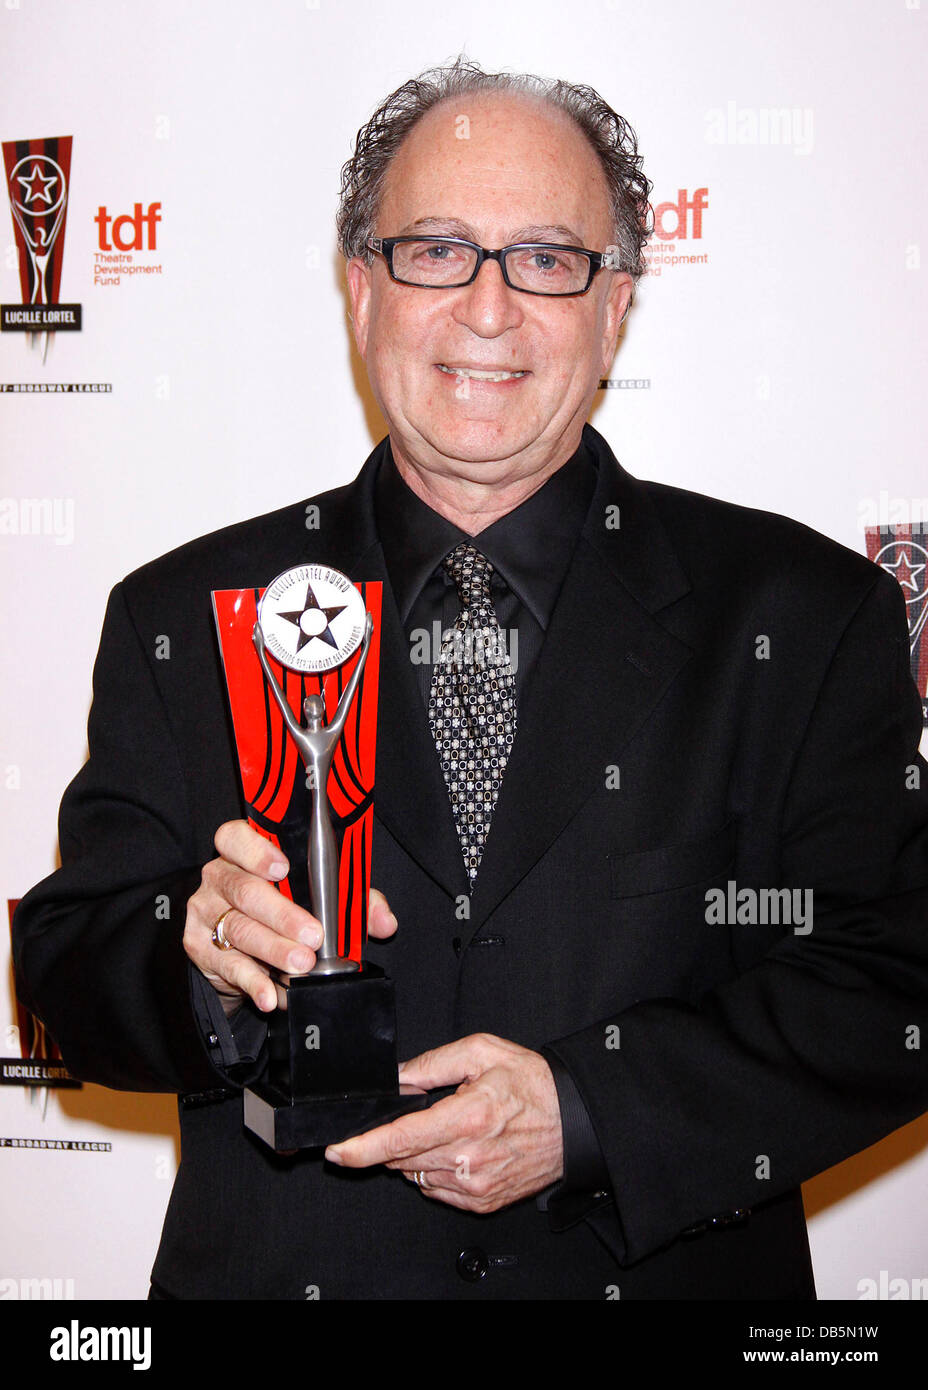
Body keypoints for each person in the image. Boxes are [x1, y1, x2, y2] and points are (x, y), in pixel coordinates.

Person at [12, 58, 928, 1300]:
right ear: (359, 291)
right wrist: (197, 948)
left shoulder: (803, 615)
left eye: (547, 258)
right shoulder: (184, 611)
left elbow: (894, 977)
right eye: (435, 250)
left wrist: (593, 1109)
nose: (488, 310)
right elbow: (69, 961)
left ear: (615, 309)